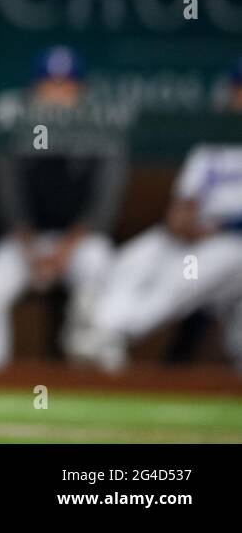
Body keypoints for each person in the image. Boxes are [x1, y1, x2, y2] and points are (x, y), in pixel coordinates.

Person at [0, 46, 125, 372]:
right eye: (50, 84)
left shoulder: (102, 134)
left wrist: (64, 252)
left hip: (81, 243)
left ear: (81, 91)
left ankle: (102, 373)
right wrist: (29, 250)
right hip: (26, 243)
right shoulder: (17, 132)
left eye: (66, 85)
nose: (57, 93)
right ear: (34, 89)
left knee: (100, 268)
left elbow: (102, 206)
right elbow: (7, 200)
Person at [78, 59, 242, 373]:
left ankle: (113, 329)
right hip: (194, 234)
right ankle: (98, 325)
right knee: (133, 258)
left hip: (232, 242)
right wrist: (182, 221)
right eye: (239, 90)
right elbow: (183, 202)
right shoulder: (211, 147)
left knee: (182, 276)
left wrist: (220, 227)